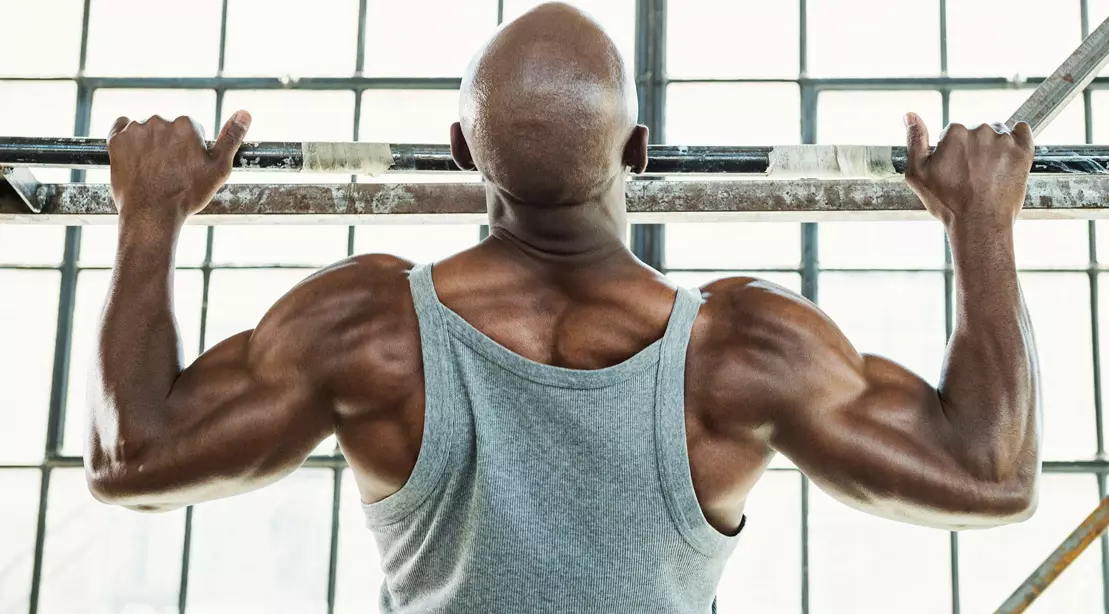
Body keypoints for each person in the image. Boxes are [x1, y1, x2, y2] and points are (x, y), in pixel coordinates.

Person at [85, 2, 1041, 612]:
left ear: (460, 149)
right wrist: (979, 224)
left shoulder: (365, 328)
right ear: (638, 150)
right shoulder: (747, 349)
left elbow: (134, 458)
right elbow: (989, 476)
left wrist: (151, 215)